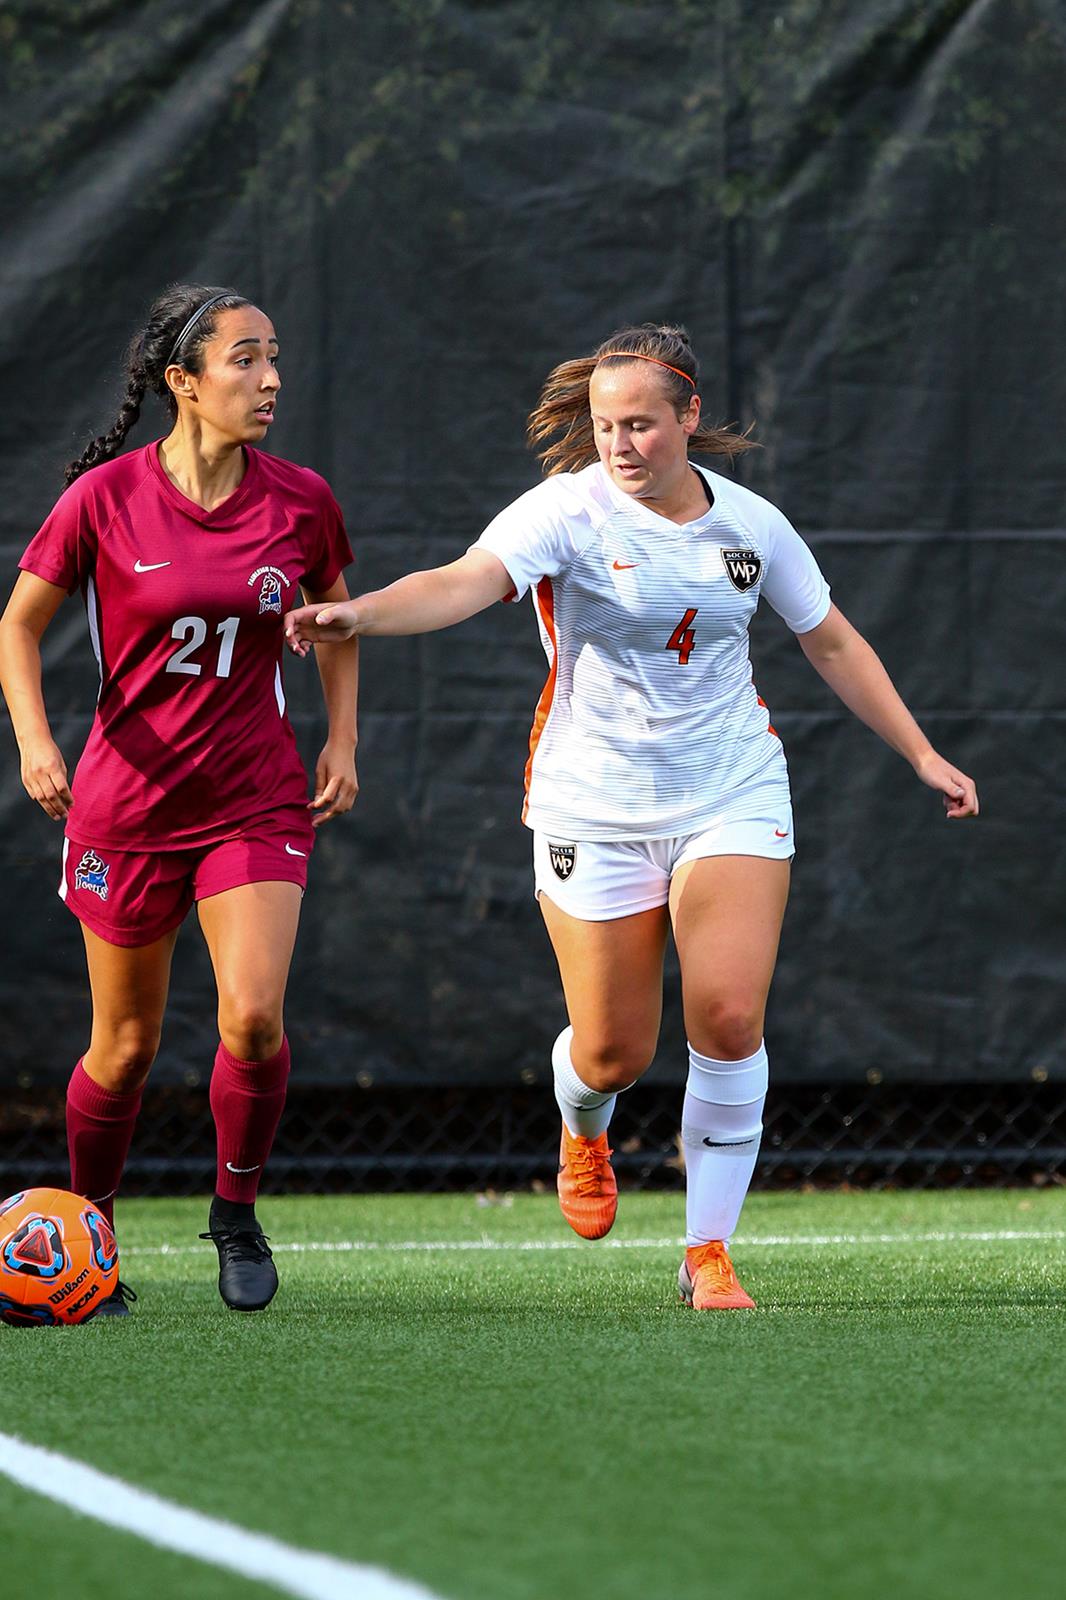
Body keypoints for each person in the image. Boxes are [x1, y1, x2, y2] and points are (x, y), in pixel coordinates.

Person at [285, 323, 978, 1311]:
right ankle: (582, 1122)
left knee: (730, 1017)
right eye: (605, 424)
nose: (619, 443)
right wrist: (364, 612)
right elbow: (464, 582)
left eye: (642, 424)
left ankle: (707, 1251)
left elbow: (829, 643)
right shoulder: (566, 513)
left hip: (729, 792)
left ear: (688, 417)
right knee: (613, 1049)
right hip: (591, 804)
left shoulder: (751, 528)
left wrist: (921, 753)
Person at [0, 284, 358, 1315]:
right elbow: (17, 626)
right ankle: (90, 1231)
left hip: (253, 797)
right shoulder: (104, 498)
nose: (271, 377)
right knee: (124, 1046)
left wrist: (340, 735)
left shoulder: (301, 498)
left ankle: (235, 1215)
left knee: (251, 1018)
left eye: (275, 356)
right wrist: (35, 740)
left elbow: (334, 617)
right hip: (125, 806)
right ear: (183, 382)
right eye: (246, 358)